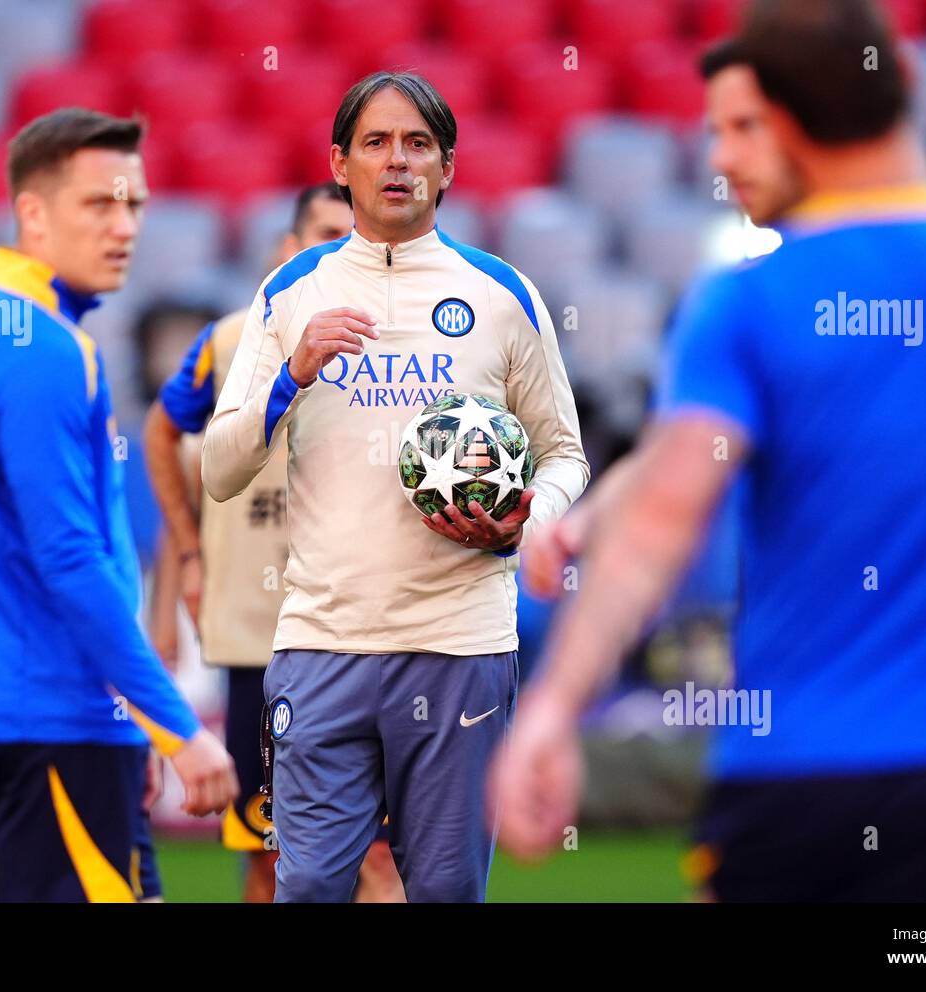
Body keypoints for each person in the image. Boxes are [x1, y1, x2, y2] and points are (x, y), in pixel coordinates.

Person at [491, 0, 926, 902]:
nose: (720, 157)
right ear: (908, 83)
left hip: (800, 786)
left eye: (739, 127)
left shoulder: (751, 301)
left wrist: (554, 709)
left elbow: (666, 520)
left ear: (789, 120)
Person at [201, 72, 590, 902]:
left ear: (448, 166)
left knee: (445, 894)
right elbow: (220, 469)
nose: (397, 161)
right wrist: (292, 375)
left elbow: (566, 456)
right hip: (321, 646)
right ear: (339, 163)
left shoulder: (502, 296)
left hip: (461, 648)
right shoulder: (290, 296)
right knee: (305, 892)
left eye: (418, 144)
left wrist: (523, 519)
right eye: (375, 143)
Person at [0, 107, 238, 903]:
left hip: (32, 710)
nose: (125, 226)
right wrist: (176, 726)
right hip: (55, 711)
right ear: (33, 212)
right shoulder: (45, 349)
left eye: (134, 203)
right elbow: (68, 560)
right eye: (99, 204)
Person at [145, 182, 406, 902]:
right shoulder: (231, 343)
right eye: (321, 232)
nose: (335, 249)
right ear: (287, 249)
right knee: (268, 856)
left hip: (366, 637)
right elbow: (166, 438)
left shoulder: (398, 348)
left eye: (348, 234)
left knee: (377, 859)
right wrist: (189, 559)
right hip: (258, 645)